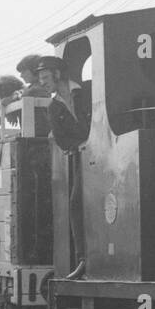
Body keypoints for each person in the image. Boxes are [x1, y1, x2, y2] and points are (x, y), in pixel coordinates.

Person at [37, 55, 89, 278]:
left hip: (106, 150)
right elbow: (62, 140)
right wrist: (84, 144)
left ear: (58, 74)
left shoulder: (87, 91)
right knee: (76, 203)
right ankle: (83, 258)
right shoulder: (52, 107)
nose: (43, 82)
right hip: (82, 157)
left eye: (46, 77)